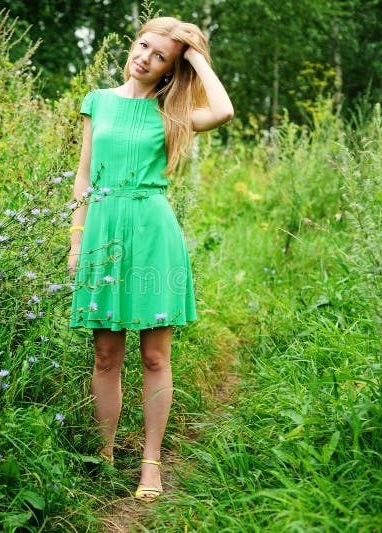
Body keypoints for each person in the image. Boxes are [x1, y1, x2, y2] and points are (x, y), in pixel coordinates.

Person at [67, 17, 233, 502]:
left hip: (152, 234)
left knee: (155, 356)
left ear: (170, 69)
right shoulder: (97, 101)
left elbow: (222, 110)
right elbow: (83, 177)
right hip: (103, 231)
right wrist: (76, 241)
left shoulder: (172, 112)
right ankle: (103, 456)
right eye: (143, 46)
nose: (145, 58)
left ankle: (151, 463)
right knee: (105, 356)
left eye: (160, 56)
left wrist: (193, 55)